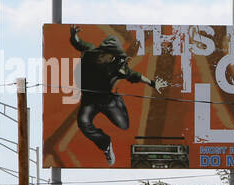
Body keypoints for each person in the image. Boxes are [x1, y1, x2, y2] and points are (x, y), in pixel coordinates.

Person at [68, 26, 166, 165]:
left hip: (107, 99)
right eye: (104, 56)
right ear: (101, 52)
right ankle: (105, 144)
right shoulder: (89, 51)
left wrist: (152, 83)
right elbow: (77, 42)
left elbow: (135, 75)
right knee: (83, 123)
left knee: (123, 125)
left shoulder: (117, 67)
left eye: (108, 57)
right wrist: (74, 35)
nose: (104, 59)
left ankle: (117, 101)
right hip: (89, 100)